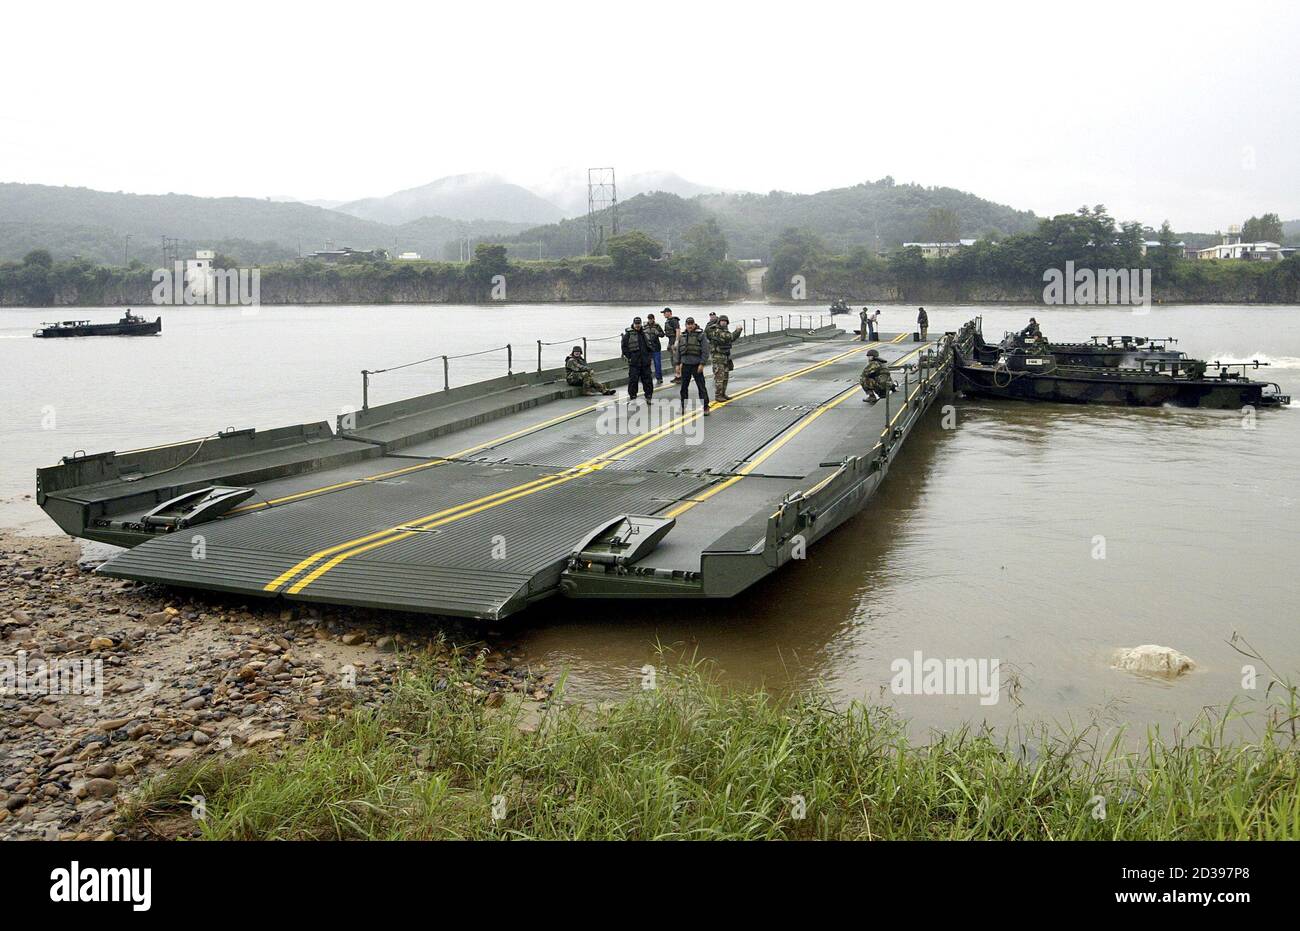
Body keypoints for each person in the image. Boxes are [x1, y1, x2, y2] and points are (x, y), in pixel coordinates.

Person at [677, 316, 711, 415]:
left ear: (694, 324)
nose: (690, 326)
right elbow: (678, 351)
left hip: (697, 365)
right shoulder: (682, 336)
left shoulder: (701, 335)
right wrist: (677, 364)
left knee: (701, 387)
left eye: (691, 324)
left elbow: (705, 351)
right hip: (685, 365)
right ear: (686, 325)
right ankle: (683, 407)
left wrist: (702, 364)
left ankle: (705, 407)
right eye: (688, 324)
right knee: (684, 387)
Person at [708, 314, 744, 401]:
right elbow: (730, 337)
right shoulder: (717, 331)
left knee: (725, 377)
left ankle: (723, 394)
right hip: (718, 357)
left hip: (725, 356)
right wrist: (738, 330)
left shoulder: (724, 330)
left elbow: (729, 338)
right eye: (722, 321)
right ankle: (718, 395)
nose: (723, 323)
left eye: (725, 321)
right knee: (719, 378)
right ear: (719, 322)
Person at [620, 316, 655, 401]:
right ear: (633, 324)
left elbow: (651, 346)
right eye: (636, 324)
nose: (637, 325)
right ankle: (632, 395)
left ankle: (648, 395)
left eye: (639, 324)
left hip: (645, 361)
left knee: (647, 379)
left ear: (640, 324)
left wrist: (649, 357)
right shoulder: (628, 334)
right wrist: (630, 357)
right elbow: (624, 347)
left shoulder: (645, 333)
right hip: (634, 362)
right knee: (633, 380)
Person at [644, 313, 666, 385]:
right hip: (648, 348)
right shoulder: (645, 326)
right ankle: (647, 377)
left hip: (656, 347)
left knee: (657, 363)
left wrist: (658, 333)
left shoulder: (657, 326)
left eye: (651, 319)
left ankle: (659, 378)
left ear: (654, 319)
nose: (650, 320)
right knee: (647, 364)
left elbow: (663, 335)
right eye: (649, 319)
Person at [662, 308, 681, 383]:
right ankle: (676, 375)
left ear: (669, 313)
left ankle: (679, 376)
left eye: (665, 313)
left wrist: (676, 342)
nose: (664, 314)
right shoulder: (668, 321)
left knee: (676, 360)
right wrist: (669, 344)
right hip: (671, 341)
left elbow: (678, 331)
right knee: (673, 360)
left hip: (674, 342)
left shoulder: (674, 320)